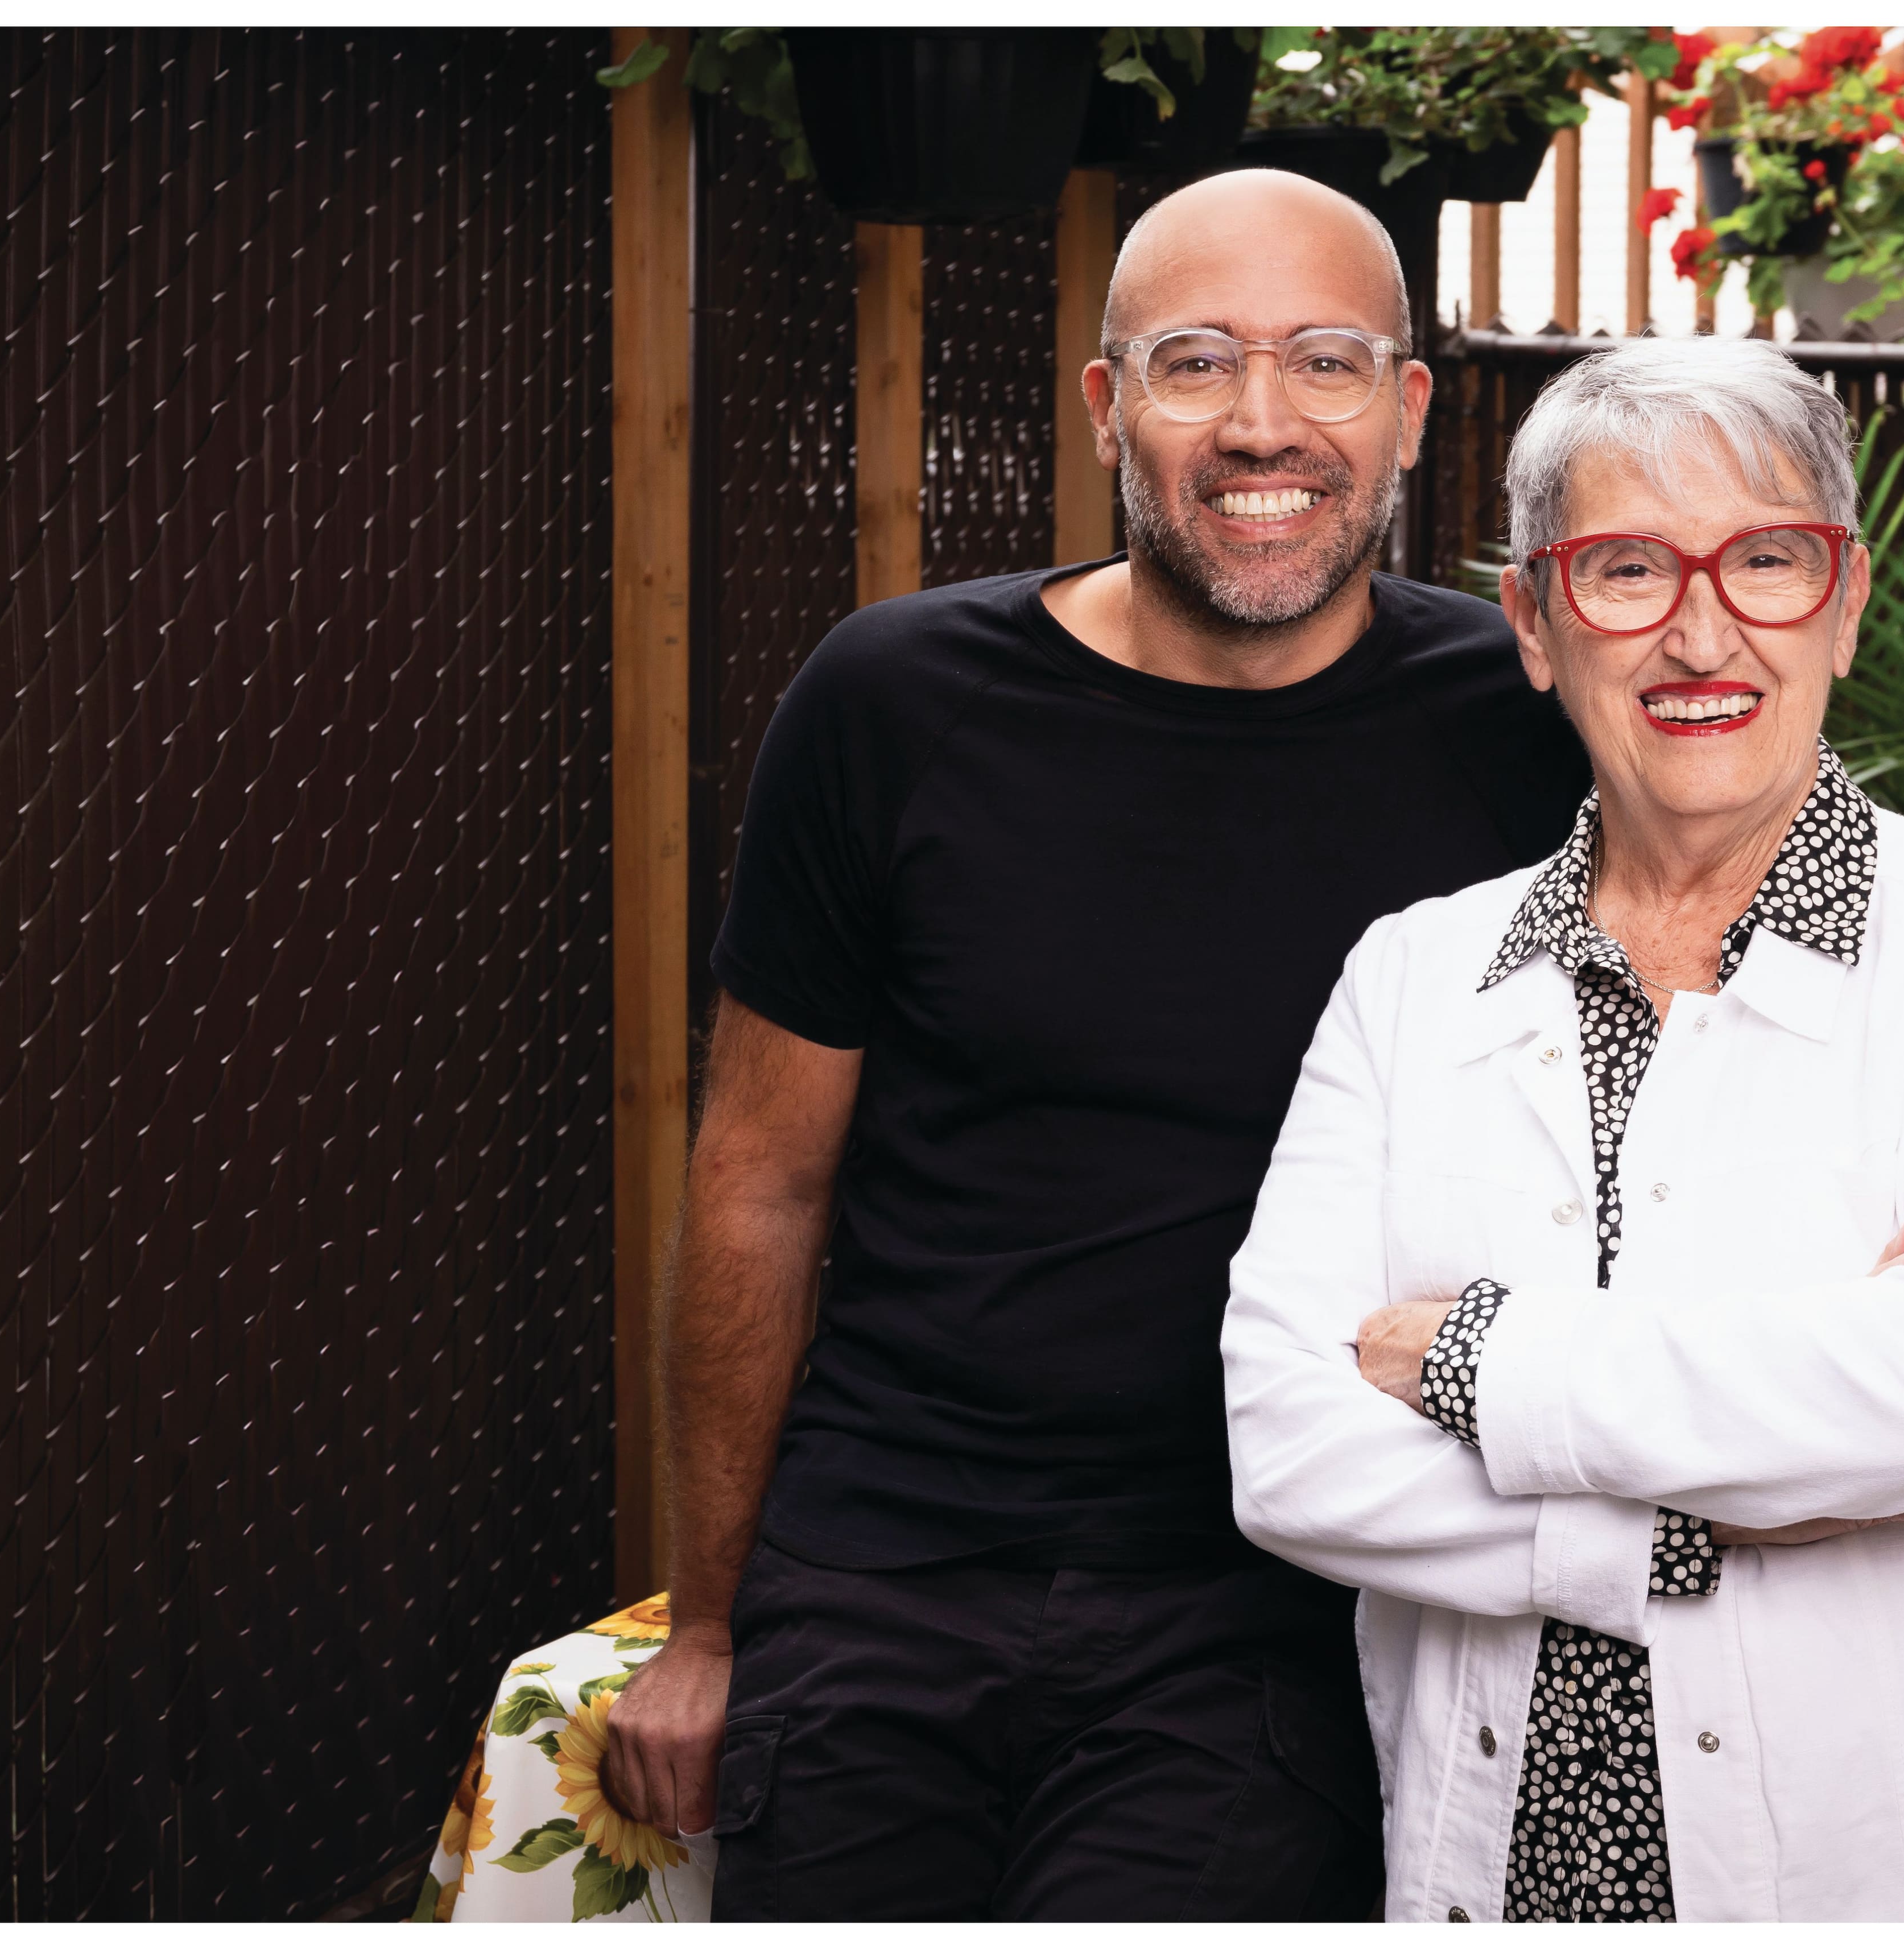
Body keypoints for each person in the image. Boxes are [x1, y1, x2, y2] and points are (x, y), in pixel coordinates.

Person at [596, 168, 1593, 1920]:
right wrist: (707, 1619)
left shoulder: (1525, 734)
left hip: (1272, 1595)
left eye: (1331, 363)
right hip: (884, 1568)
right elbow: (760, 1184)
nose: (1264, 423)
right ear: (1108, 403)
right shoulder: (891, 700)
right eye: (1197, 361)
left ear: (1414, 410)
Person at [1221, 335, 1904, 1922]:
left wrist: (1472, 1359)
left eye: (1766, 559)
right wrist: (1697, 1522)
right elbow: (1286, 1450)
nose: (1702, 629)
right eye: (1625, 568)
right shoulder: (1415, 974)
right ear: (1537, 626)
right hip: (1517, 1872)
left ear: (1845, 599)